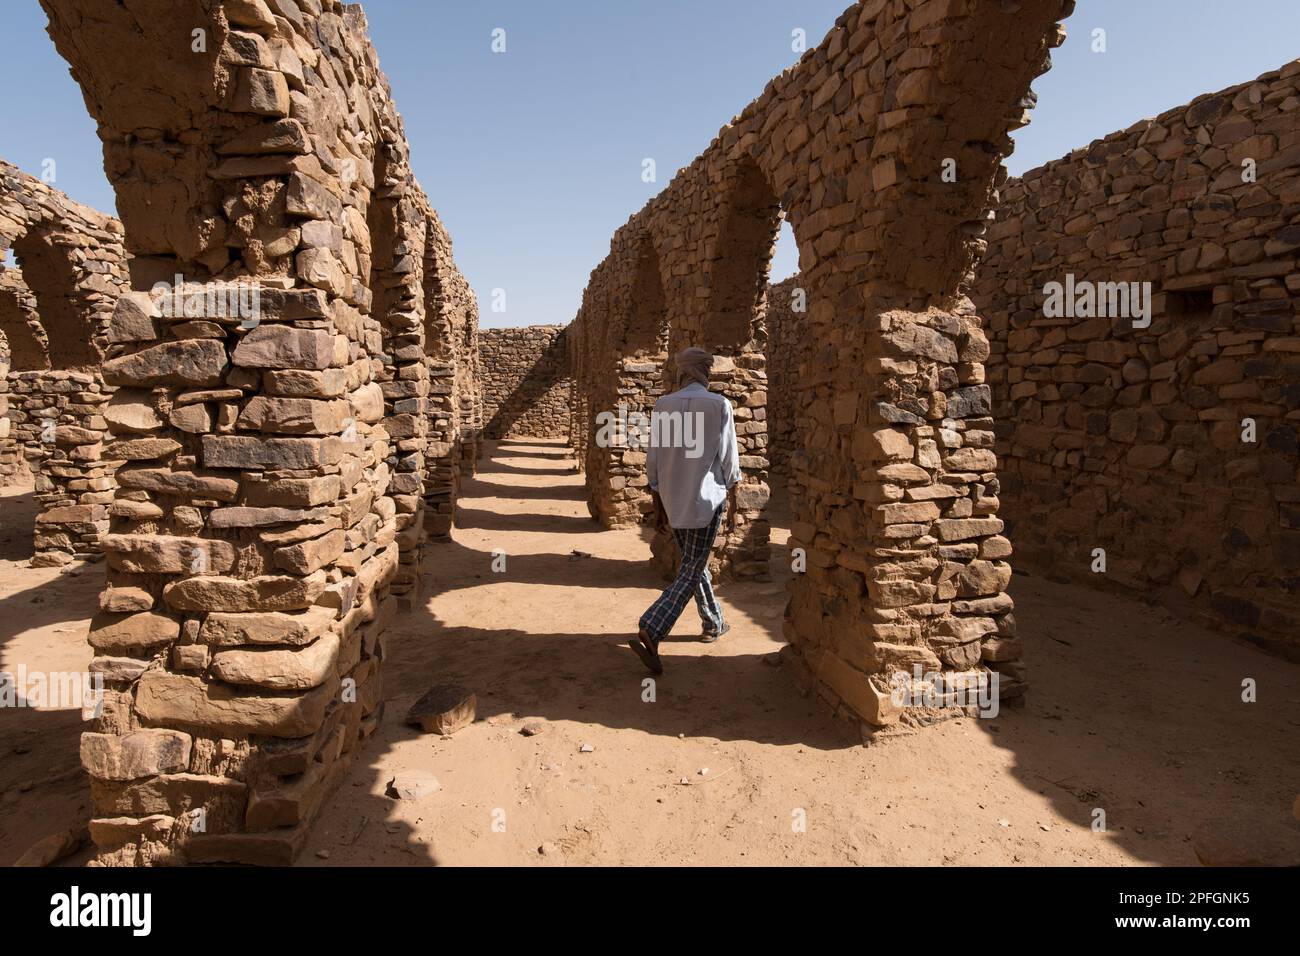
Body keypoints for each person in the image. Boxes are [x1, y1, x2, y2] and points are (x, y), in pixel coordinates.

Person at [628, 346, 741, 674]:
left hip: (674, 501)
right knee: (693, 567)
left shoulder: (664, 406)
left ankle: (713, 623)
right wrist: (734, 499)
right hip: (708, 500)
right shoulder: (719, 404)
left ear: (681, 371)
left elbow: (654, 460)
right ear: (705, 372)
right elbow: (729, 459)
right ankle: (652, 626)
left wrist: (658, 502)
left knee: (693, 563)